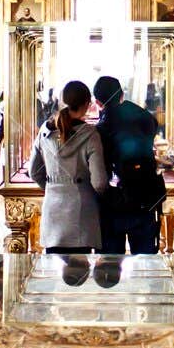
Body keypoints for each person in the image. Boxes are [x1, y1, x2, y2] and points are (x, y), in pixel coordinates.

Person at [29, 80, 109, 254]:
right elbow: (99, 183)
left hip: (52, 209)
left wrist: (52, 186)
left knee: (54, 266)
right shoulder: (90, 135)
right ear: (86, 104)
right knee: (81, 266)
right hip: (82, 213)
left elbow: (33, 171)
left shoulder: (45, 131)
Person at [93, 74, 164, 255]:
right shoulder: (143, 116)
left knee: (110, 262)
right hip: (145, 196)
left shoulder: (101, 128)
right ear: (121, 95)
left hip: (113, 201)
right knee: (145, 260)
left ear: (98, 102)